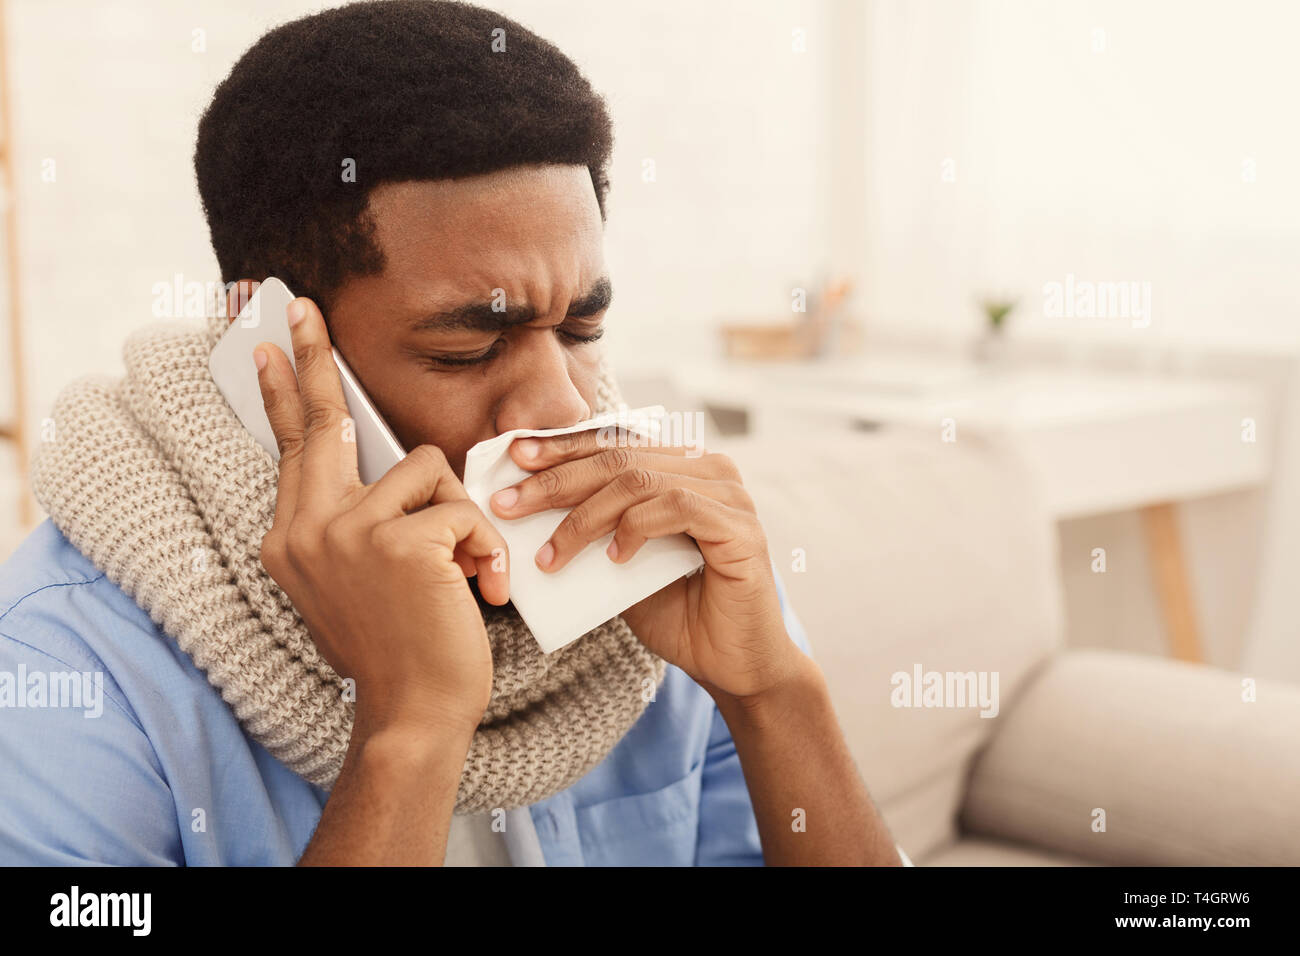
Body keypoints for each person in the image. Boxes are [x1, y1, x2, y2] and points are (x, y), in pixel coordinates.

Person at [0, 0, 903, 866]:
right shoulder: (59, 670)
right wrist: (410, 729)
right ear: (272, 350)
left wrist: (773, 694)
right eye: (469, 348)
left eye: (581, 332)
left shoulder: (666, 561)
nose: (562, 410)